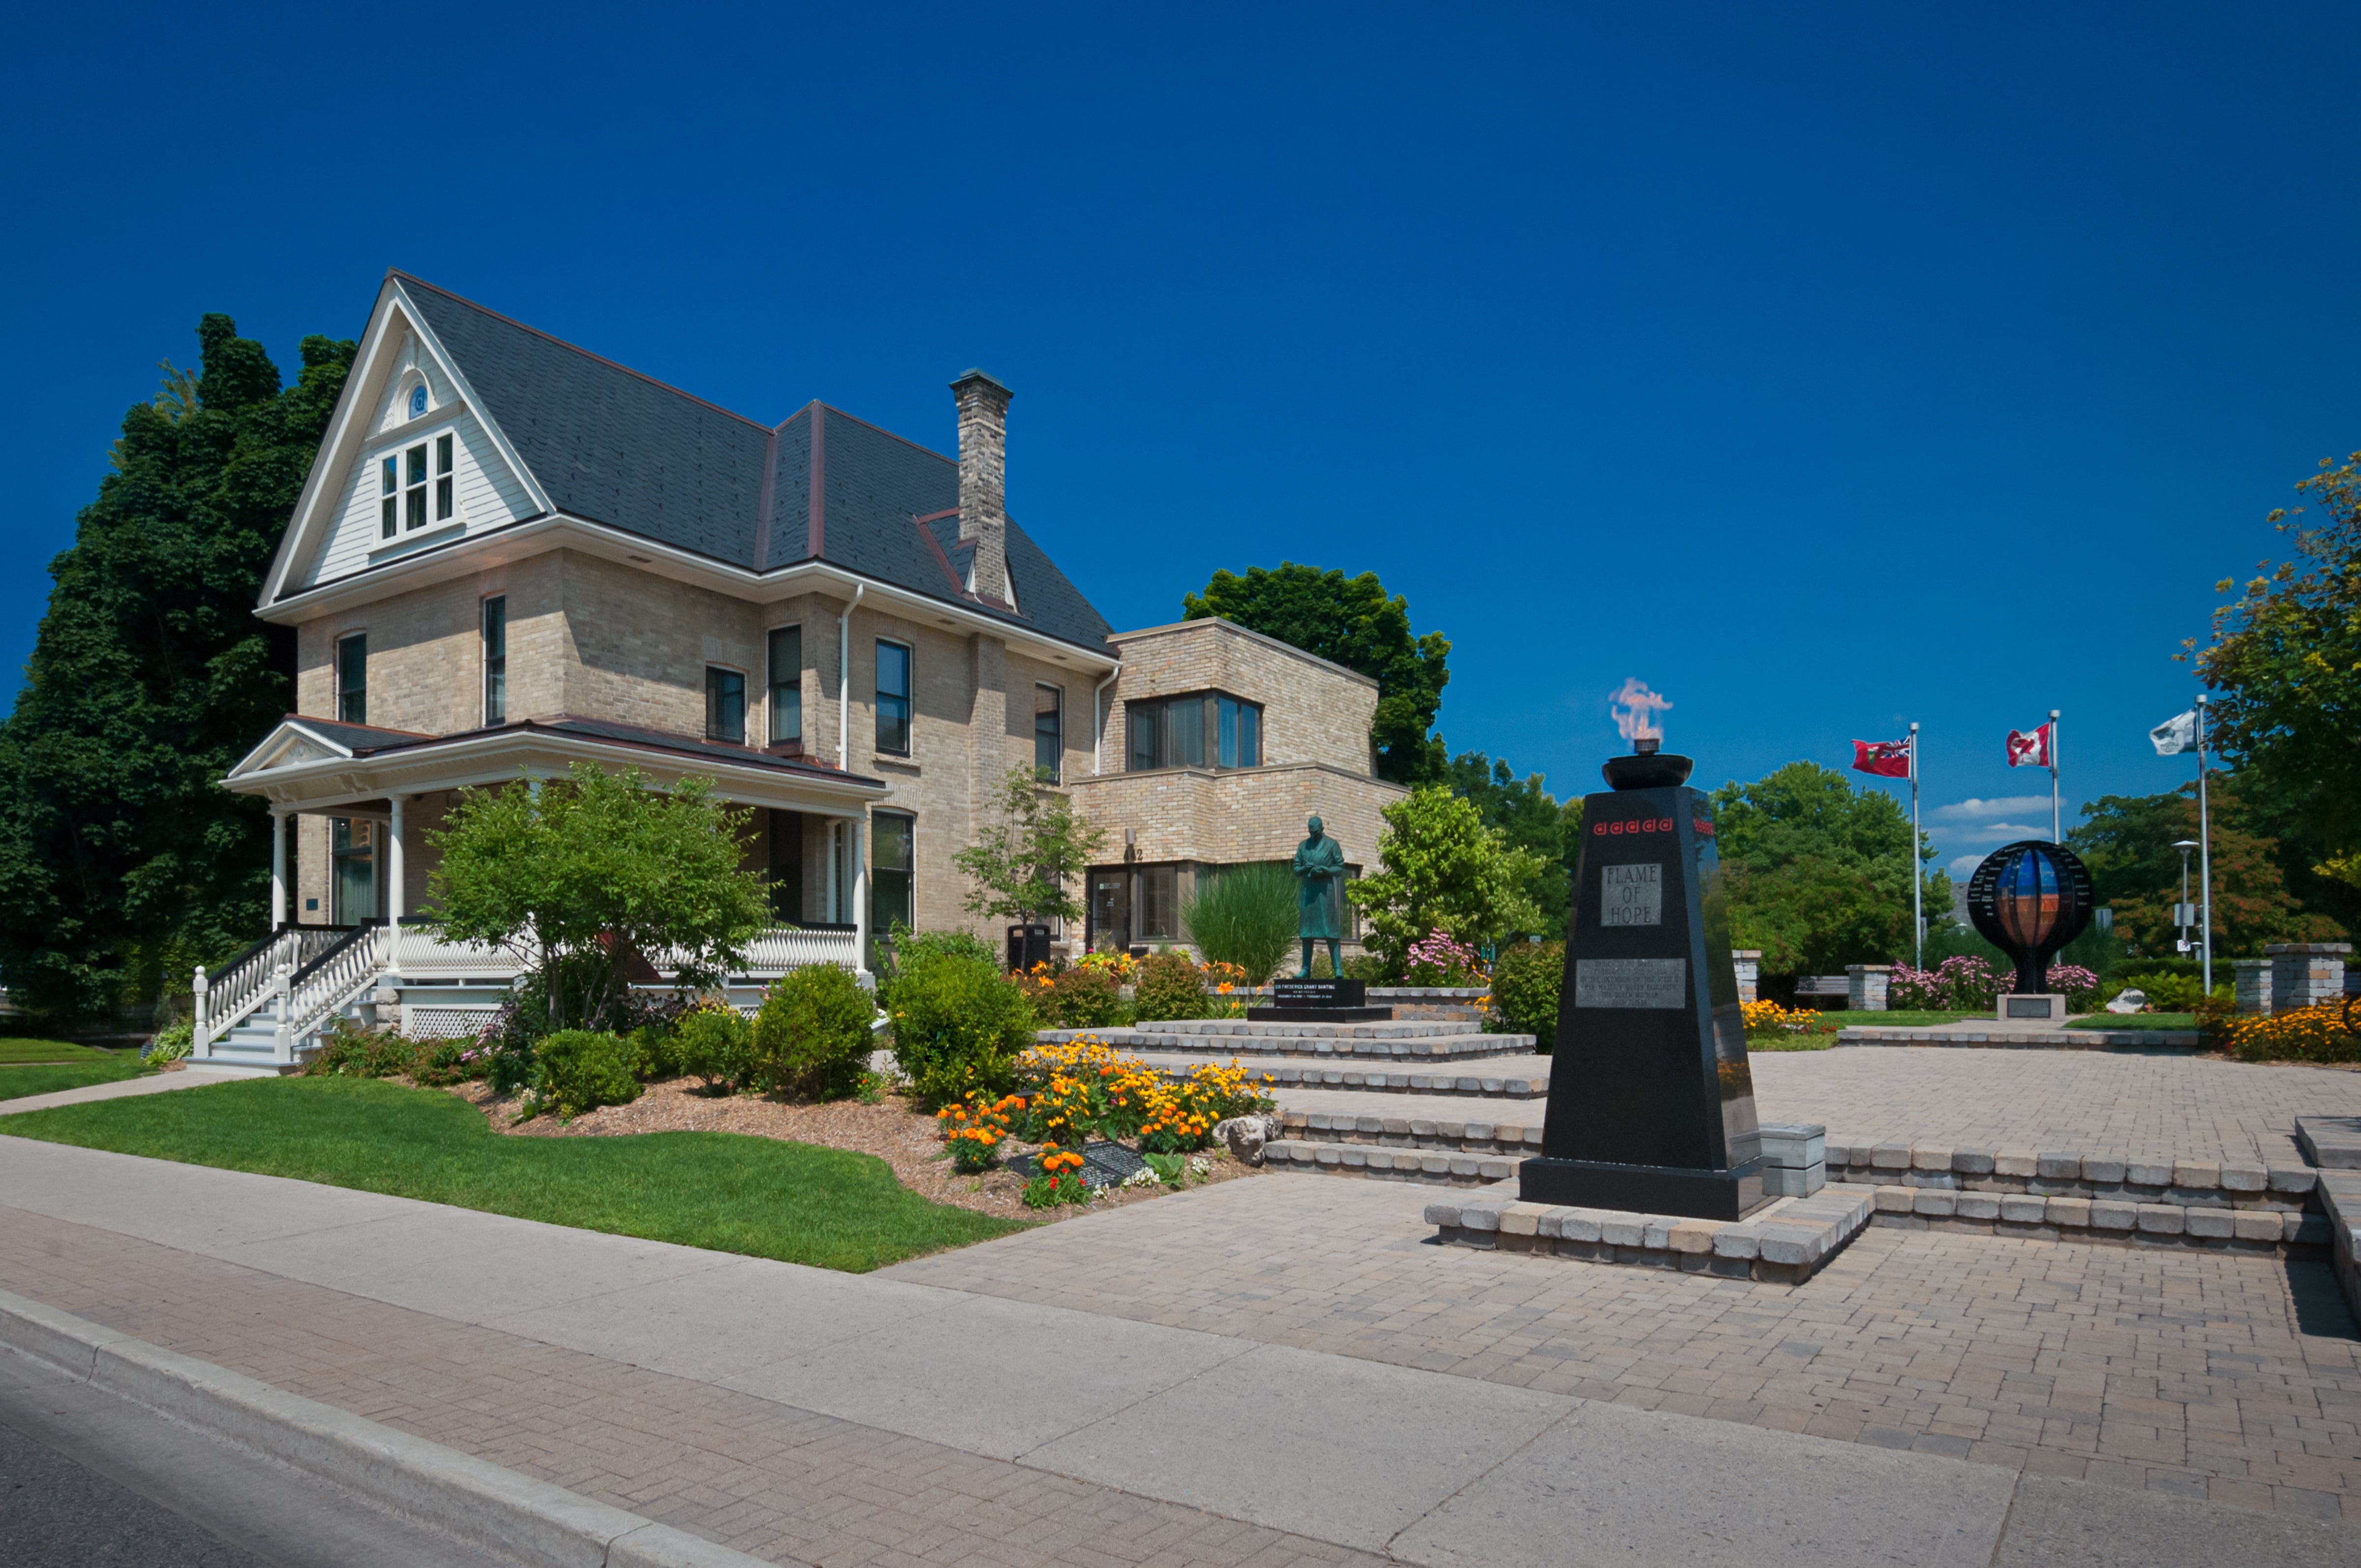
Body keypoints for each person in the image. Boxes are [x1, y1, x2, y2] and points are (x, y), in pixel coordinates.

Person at [1293, 815, 1347, 978]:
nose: (1313, 836)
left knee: (1331, 930)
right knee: (1307, 933)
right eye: (1311, 833)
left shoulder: (1332, 845)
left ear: (1322, 830)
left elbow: (1340, 867)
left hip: (1325, 892)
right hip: (1308, 893)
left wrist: (1325, 870)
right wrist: (1304, 869)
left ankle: (1338, 969)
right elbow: (1296, 869)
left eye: (1316, 833)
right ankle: (1305, 970)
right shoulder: (1303, 846)